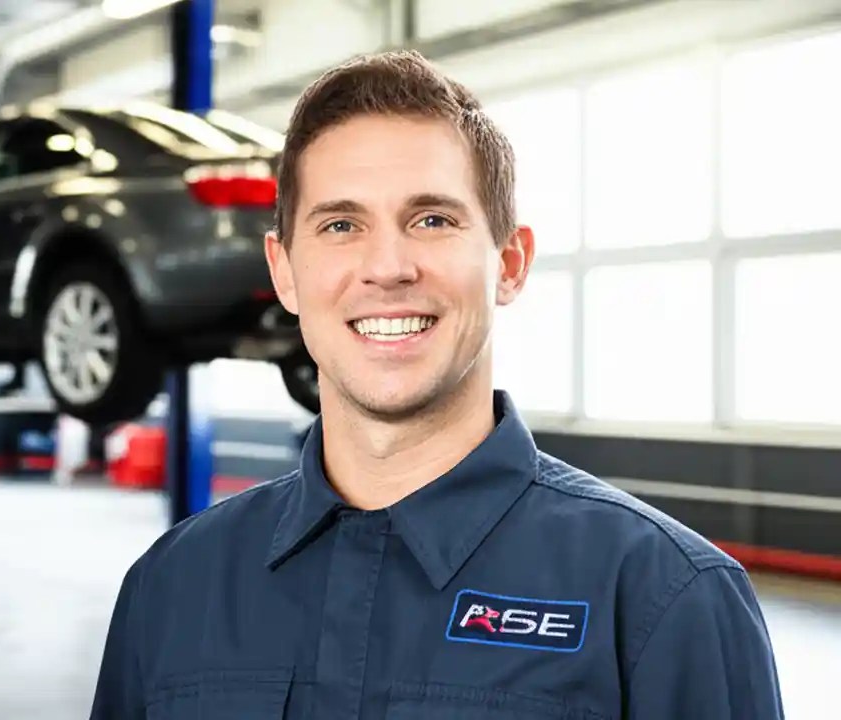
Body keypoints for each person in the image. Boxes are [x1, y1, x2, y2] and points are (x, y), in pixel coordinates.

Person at [90, 51, 783, 719]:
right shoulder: (172, 586)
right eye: (340, 224)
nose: (387, 267)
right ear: (285, 273)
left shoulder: (663, 597)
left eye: (432, 220)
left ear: (509, 263)